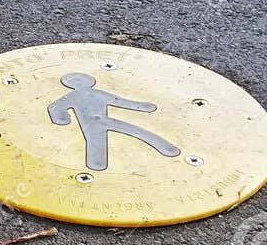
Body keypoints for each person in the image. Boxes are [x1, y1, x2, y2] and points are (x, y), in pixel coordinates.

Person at [47, 72, 179, 171]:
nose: (79, 83)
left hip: (103, 119)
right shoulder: (72, 96)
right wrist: (61, 117)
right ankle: (97, 165)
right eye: (76, 81)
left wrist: (141, 106)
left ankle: (165, 147)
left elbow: (119, 101)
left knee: (134, 131)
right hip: (90, 123)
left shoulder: (97, 93)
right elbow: (56, 107)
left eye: (81, 80)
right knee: (96, 142)